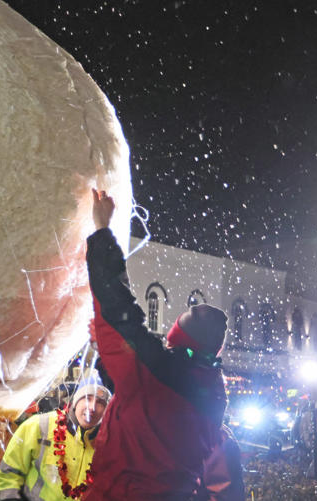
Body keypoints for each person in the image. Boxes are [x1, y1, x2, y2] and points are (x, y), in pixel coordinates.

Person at [84, 188, 228, 500]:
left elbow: (117, 310)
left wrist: (102, 231)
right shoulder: (211, 388)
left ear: (180, 334)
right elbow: (146, 407)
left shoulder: (160, 369)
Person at [0, 383, 111, 501]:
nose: (92, 407)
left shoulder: (108, 446)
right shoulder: (39, 425)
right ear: (76, 402)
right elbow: (9, 472)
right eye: (87, 398)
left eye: (100, 403)